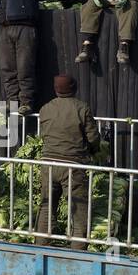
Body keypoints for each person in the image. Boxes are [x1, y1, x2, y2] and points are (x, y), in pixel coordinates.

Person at [33, 74, 102, 247]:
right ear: (74, 88)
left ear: (55, 89)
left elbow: (43, 135)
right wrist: (95, 151)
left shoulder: (45, 109)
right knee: (78, 209)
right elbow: (93, 138)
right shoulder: (81, 108)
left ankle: (41, 245)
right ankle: (77, 250)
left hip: (48, 164)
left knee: (46, 206)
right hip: (72, 166)